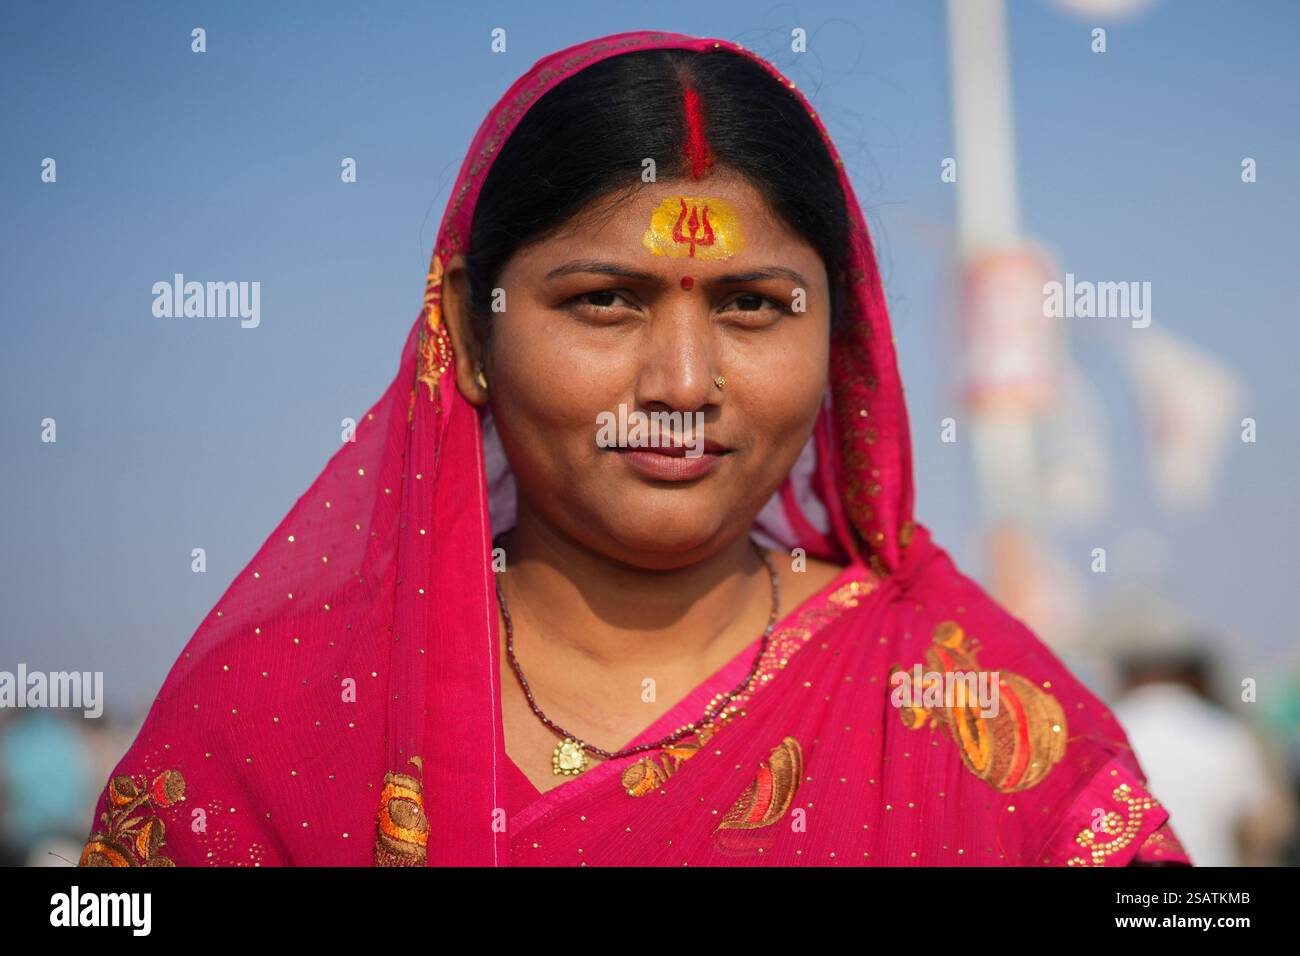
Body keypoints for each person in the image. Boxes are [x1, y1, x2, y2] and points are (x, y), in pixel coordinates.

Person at [77, 30, 1189, 867]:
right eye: (605, 300)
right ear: (468, 330)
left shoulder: (970, 710)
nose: (681, 384)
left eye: (753, 305)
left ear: (841, 340)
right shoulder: (279, 715)